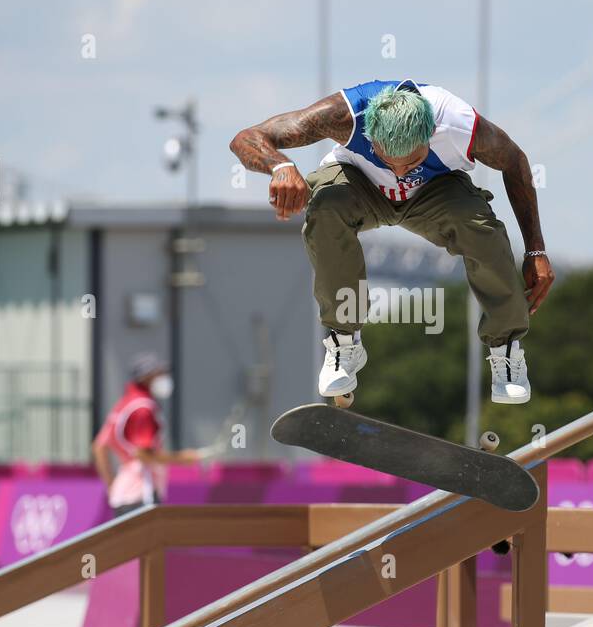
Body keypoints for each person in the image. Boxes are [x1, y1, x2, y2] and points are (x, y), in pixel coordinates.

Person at [229, 79, 554, 404]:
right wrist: (281, 166)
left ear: (430, 134)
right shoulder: (344, 116)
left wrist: (535, 249)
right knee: (325, 207)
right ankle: (344, 340)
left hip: (433, 192)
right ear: (370, 135)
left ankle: (505, 348)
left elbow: (514, 161)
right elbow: (245, 139)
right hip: (360, 187)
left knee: (479, 226)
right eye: (389, 160)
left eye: (411, 162)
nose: (399, 172)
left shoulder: (460, 124)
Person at [92, 354, 202, 519]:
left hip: (123, 494)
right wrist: (182, 458)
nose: (164, 377)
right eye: (159, 373)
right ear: (146, 377)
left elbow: (98, 447)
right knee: (149, 544)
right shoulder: (143, 408)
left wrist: (112, 486)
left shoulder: (124, 404)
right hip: (142, 493)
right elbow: (143, 454)